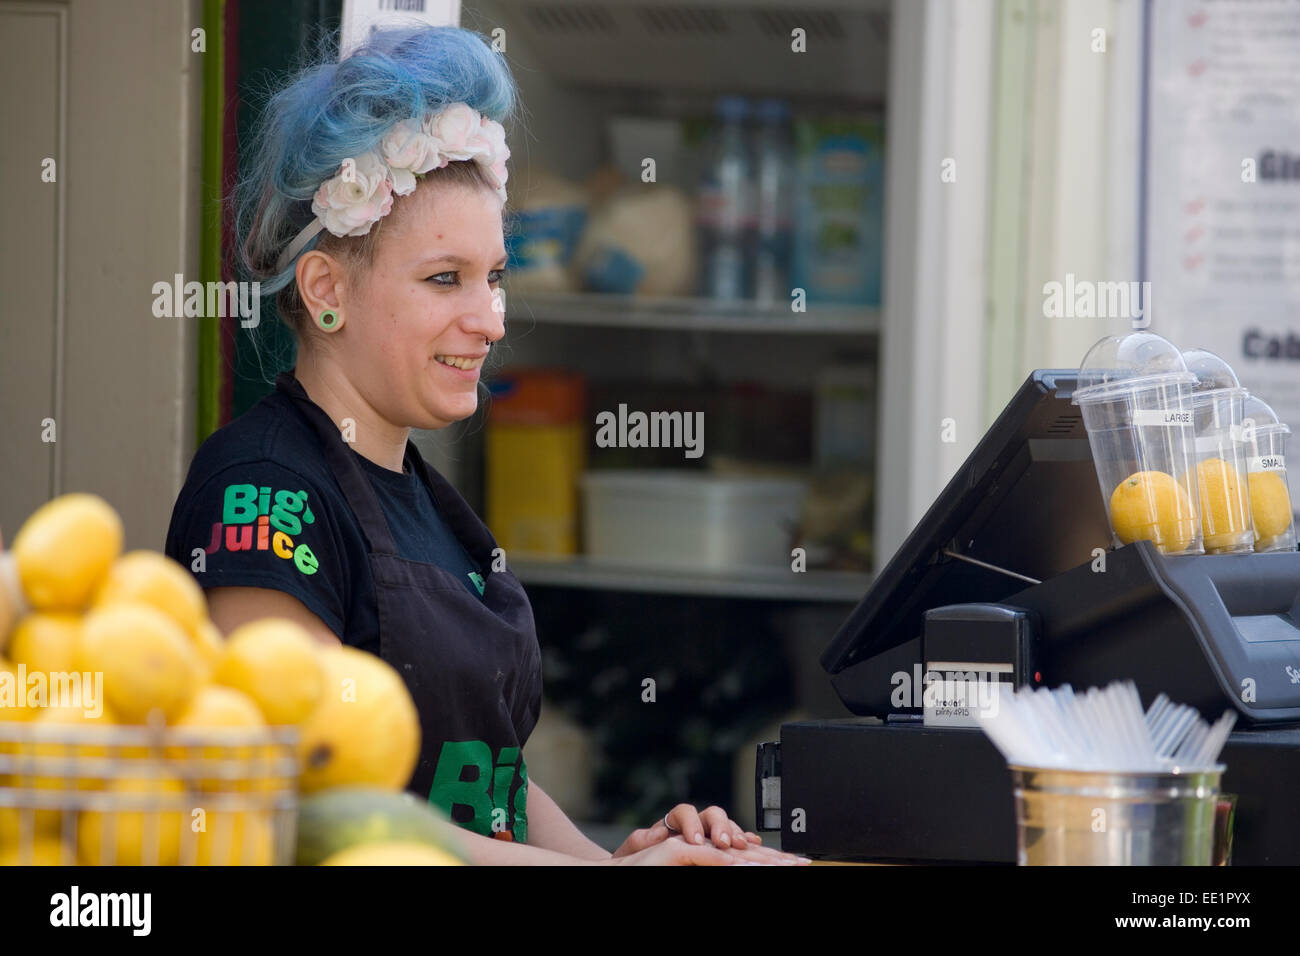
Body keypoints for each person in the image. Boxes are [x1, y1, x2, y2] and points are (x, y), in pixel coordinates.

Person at [164, 24, 807, 866]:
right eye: (445, 278)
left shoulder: (432, 504)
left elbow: (489, 781)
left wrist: (630, 858)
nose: (491, 319)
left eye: (495, 276)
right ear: (326, 290)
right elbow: (326, 808)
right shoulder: (260, 492)